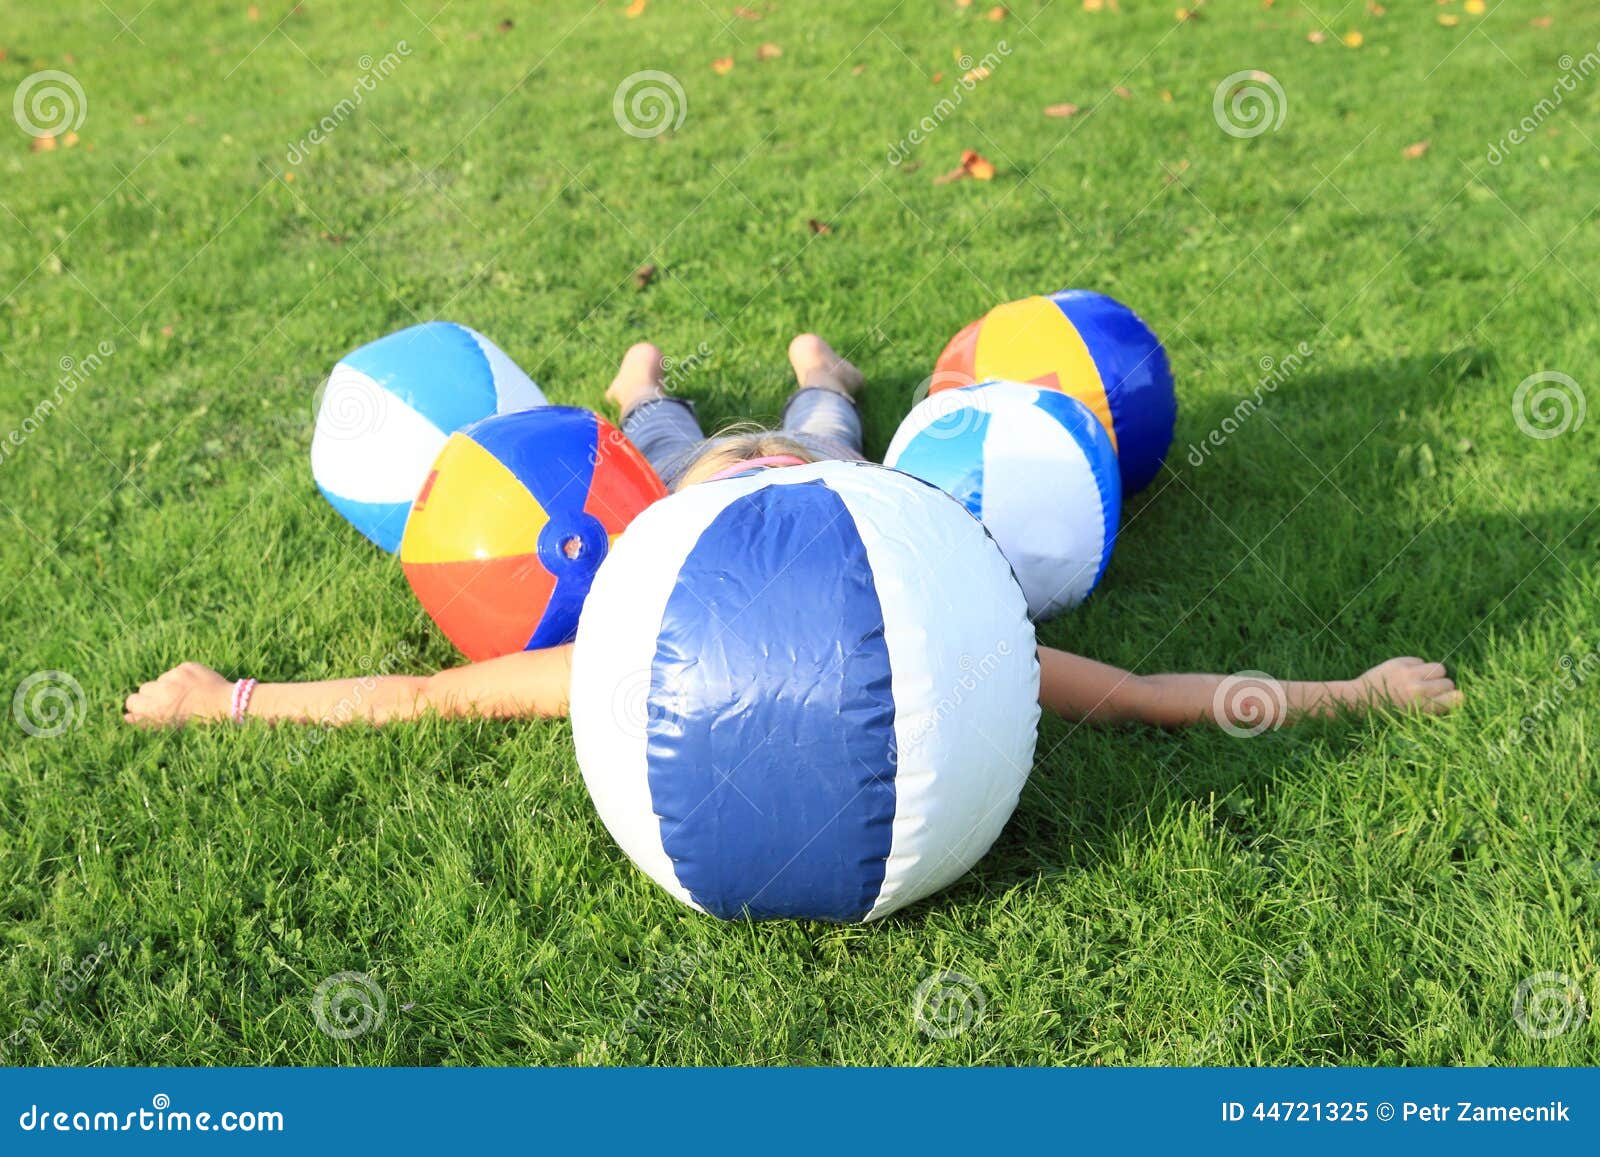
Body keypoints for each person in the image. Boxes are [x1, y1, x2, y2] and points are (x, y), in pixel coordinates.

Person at [123, 335, 1462, 730]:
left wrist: (224, 702)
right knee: (701, 425)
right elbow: (427, 693)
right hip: (708, 483)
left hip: (777, 487)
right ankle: (653, 390)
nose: (759, 470)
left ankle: (781, 375)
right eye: (746, 480)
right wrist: (1361, 689)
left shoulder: (932, 611)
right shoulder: (655, 589)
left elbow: (1139, 699)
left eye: (758, 480)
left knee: (813, 414)